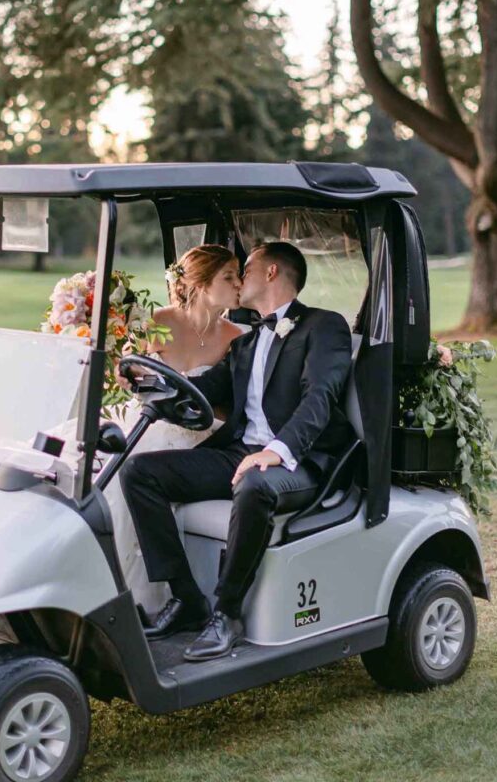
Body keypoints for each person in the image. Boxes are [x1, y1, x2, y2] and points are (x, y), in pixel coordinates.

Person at [120, 241, 353, 662]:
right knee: (139, 473)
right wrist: (145, 383)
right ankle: (187, 598)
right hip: (240, 451)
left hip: (297, 460)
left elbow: (320, 397)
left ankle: (226, 613)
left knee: (255, 484)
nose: (240, 277)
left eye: (247, 268)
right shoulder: (245, 343)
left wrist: (277, 450)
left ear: (271, 273)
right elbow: (202, 393)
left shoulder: (322, 326)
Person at [63, 244, 246, 615]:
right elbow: (131, 373)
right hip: (147, 419)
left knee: (135, 471)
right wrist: (130, 377)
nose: (239, 284)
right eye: (229, 276)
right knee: (81, 460)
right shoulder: (157, 322)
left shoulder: (237, 338)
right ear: (201, 282)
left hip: (201, 433)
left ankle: (135, 601)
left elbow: (229, 407)